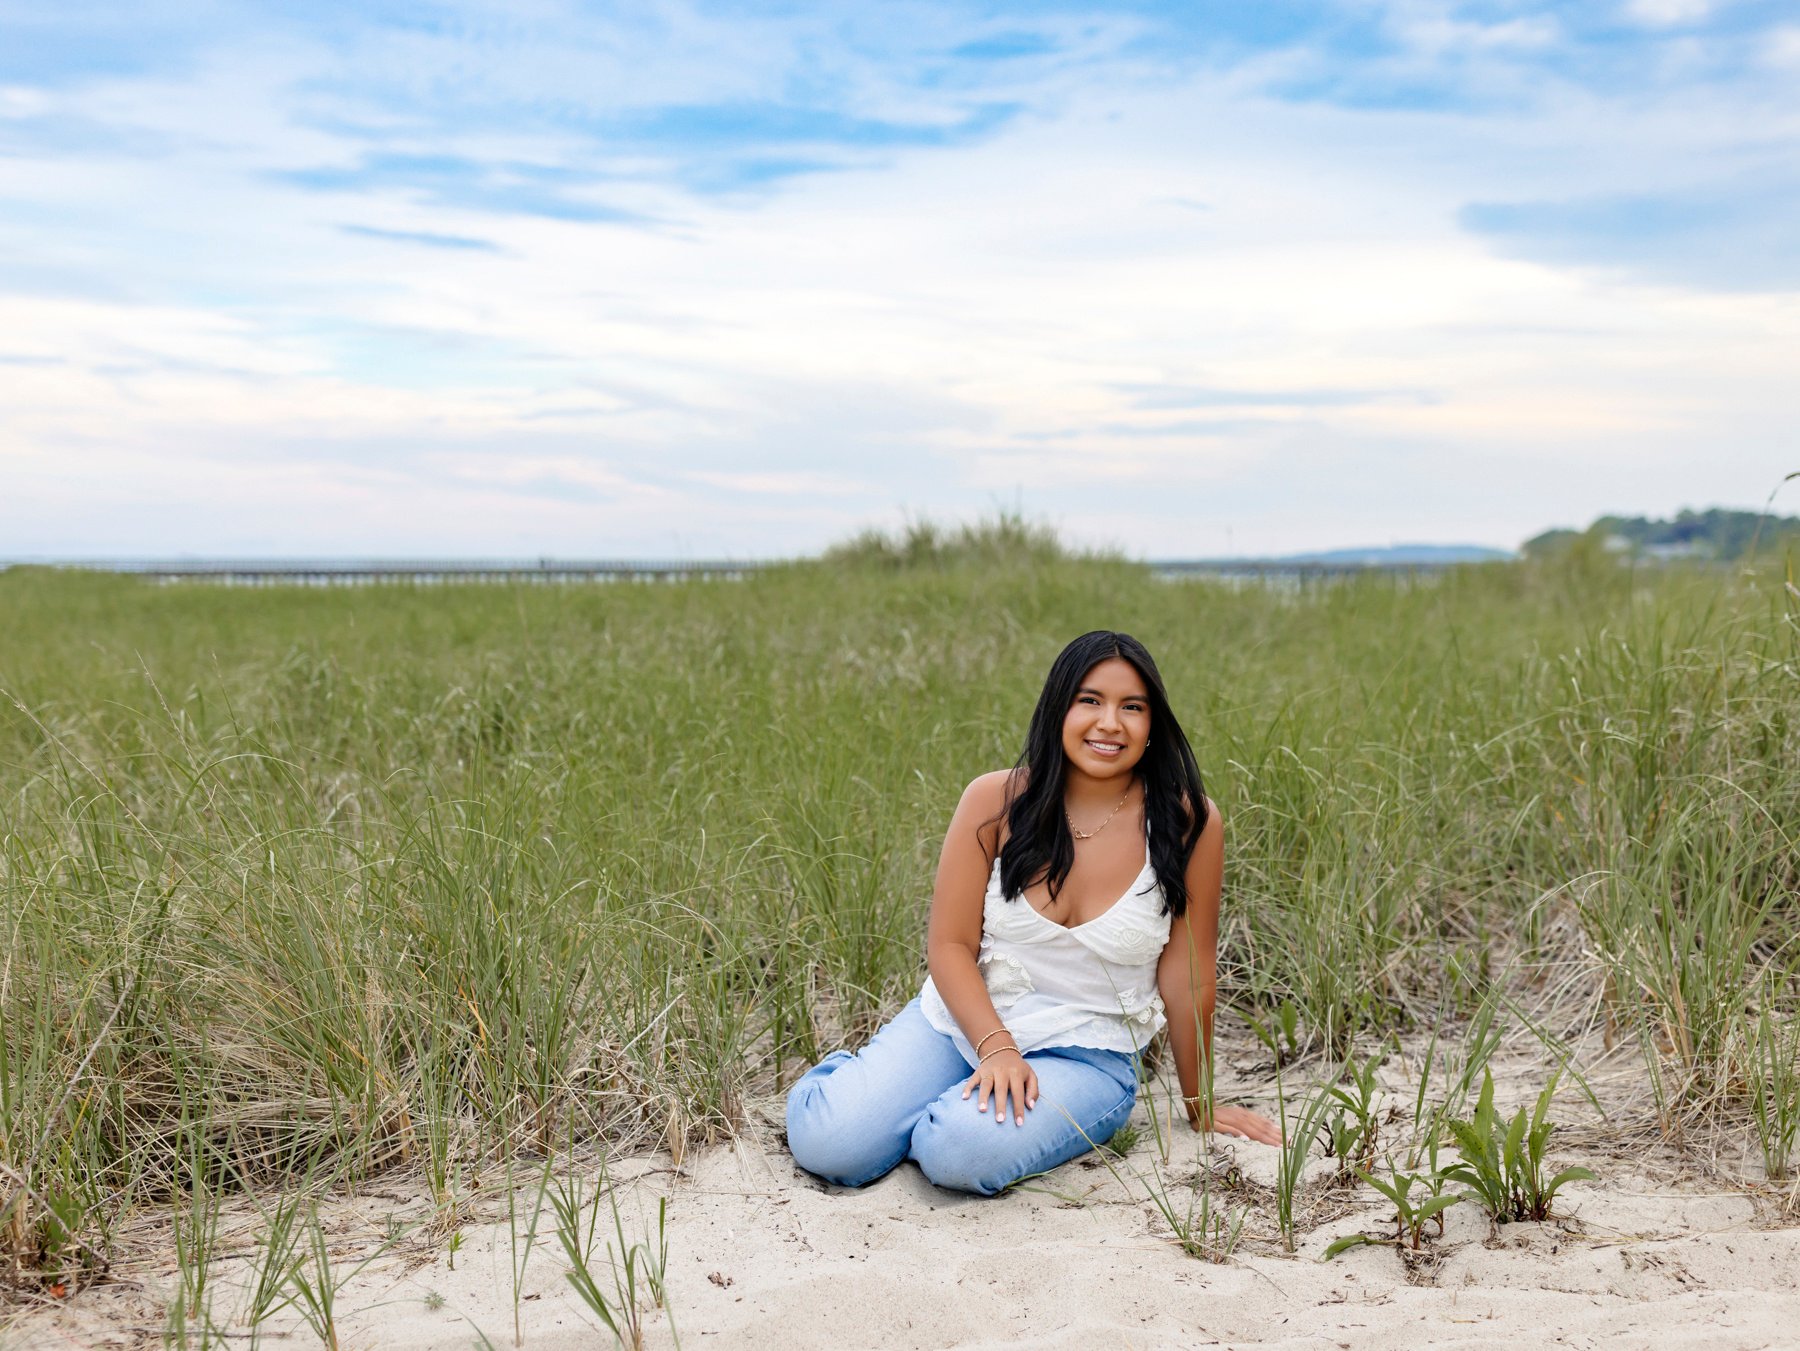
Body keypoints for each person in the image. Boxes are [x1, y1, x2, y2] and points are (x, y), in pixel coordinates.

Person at [785, 630, 1281, 1196]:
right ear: (1057, 707)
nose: (1109, 723)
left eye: (1132, 707)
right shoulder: (994, 799)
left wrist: (1201, 1103)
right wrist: (996, 1049)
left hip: (1086, 1055)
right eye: (1089, 700)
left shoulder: (1190, 821)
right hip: (959, 1025)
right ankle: (861, 1086)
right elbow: (949, 945)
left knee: (956, 1151)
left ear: (1153, 724)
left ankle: (938, 1115)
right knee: (832, 1141)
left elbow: (1187, 976)